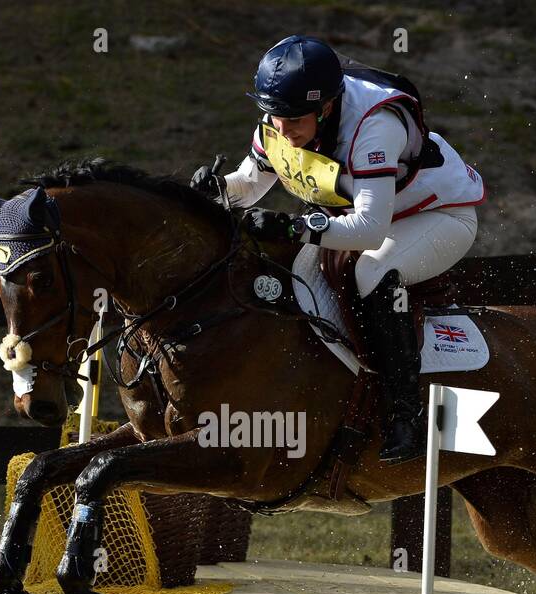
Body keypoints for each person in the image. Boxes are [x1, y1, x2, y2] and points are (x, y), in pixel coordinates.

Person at [192, 34, 485, 463]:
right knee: (301, 280)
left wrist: (294, 227)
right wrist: (217, 191)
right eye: (273, 118)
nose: (282, 131)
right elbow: (251, 184)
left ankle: (406, 413)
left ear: (326, 107)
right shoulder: (282, 113)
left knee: (373, 273)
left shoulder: (374, 127)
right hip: (369, 215)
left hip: (438, 216)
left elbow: (368, 230)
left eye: (293, 120)